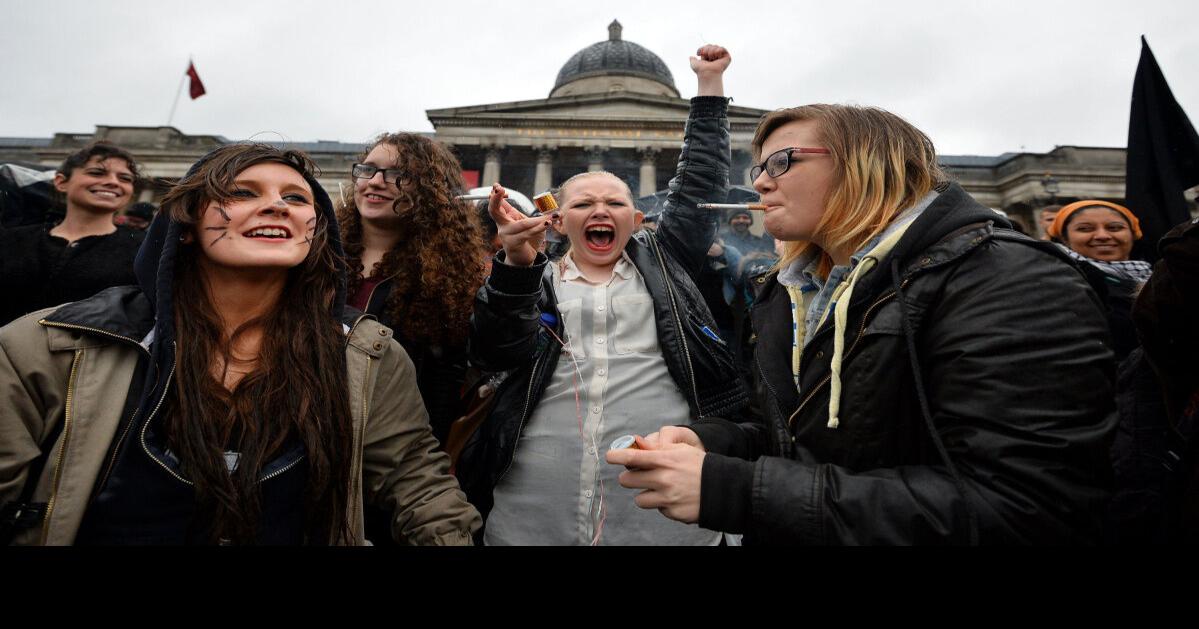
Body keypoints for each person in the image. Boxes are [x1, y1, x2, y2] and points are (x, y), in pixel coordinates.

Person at [608, 104, 1117, 544]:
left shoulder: (1005, 280)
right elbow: (810, 437)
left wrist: (735, 490)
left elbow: (1029, 511)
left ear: (865, 166)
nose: (758, 182)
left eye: (781, 162)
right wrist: (716, 444)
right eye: (758, 167)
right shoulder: (793, 291)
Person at [0, 143, 480, 545]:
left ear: (316, 231)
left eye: (295, 198)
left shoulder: (367, 352)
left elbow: (414, 478)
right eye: (241, 193)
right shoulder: (50, 346)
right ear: (185, 224)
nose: (276, 206)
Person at [459, 45, 748, 545]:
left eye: (615, 202)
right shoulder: (535, 279)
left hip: (658, 514)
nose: (601, 209)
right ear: (556, 219)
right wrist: (516, 268)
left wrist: (708, 87)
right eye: (584, 202)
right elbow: (494, 352)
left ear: (637, 221)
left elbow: (700, 178)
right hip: (536, 510)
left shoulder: (667, 263)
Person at [337, 133, 486, 445]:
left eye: (398, 174)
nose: (376, 182)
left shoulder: (448, 280)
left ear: (430, 190)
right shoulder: (317, 258)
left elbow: (443, 388)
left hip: (390, 451)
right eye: (368, 169)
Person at [0, 142, 145, 326]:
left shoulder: (144, 251)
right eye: (97, 173)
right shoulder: (11, 241)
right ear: (61, 182)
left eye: (125, 178)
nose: (113, 182)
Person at [1048, 200, 1153, 361]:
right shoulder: (1056, 281)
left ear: (1133, 234)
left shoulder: (1158, 276)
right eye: (1085, 229)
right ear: (1064, 239)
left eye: (1115, 228)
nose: (1102, 236)